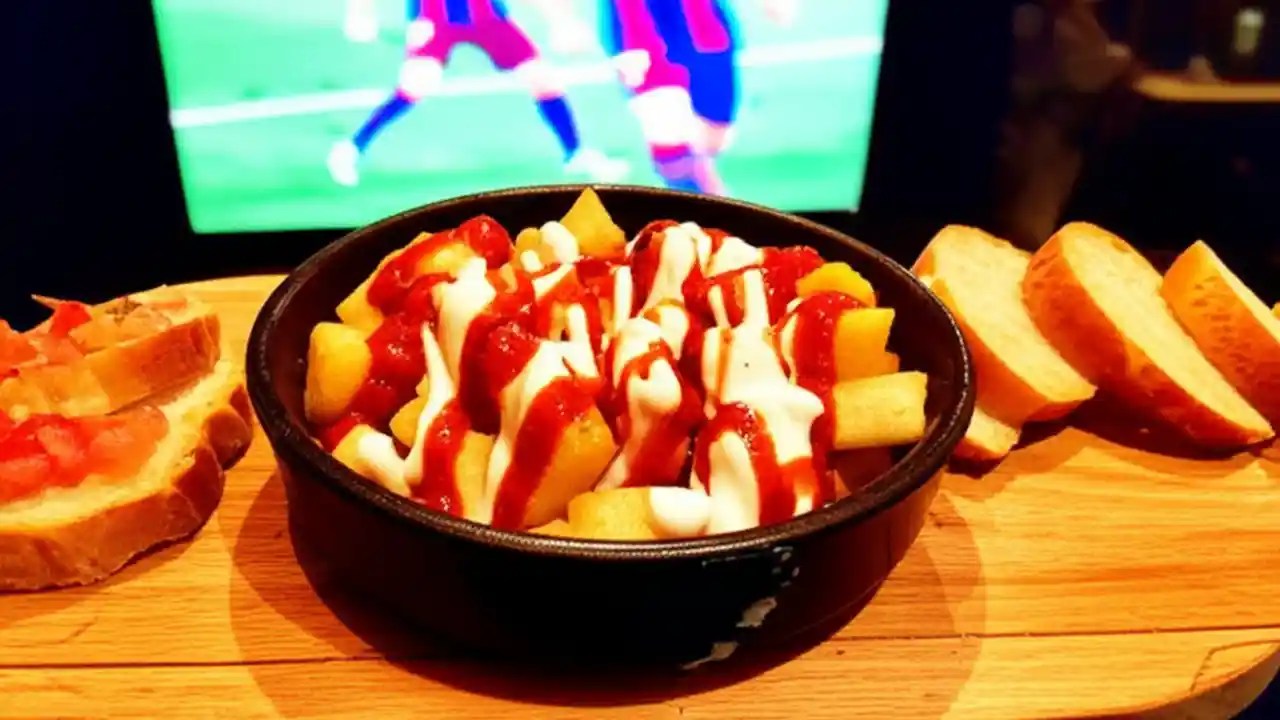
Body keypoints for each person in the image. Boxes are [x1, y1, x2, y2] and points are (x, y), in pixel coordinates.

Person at [327, 0, 628, 187]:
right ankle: (351, 148)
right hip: (435, 17)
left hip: (486, 14)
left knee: (542, 79)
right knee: (416, 85)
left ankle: (575, 153)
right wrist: (361, 10)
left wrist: (561, 20)